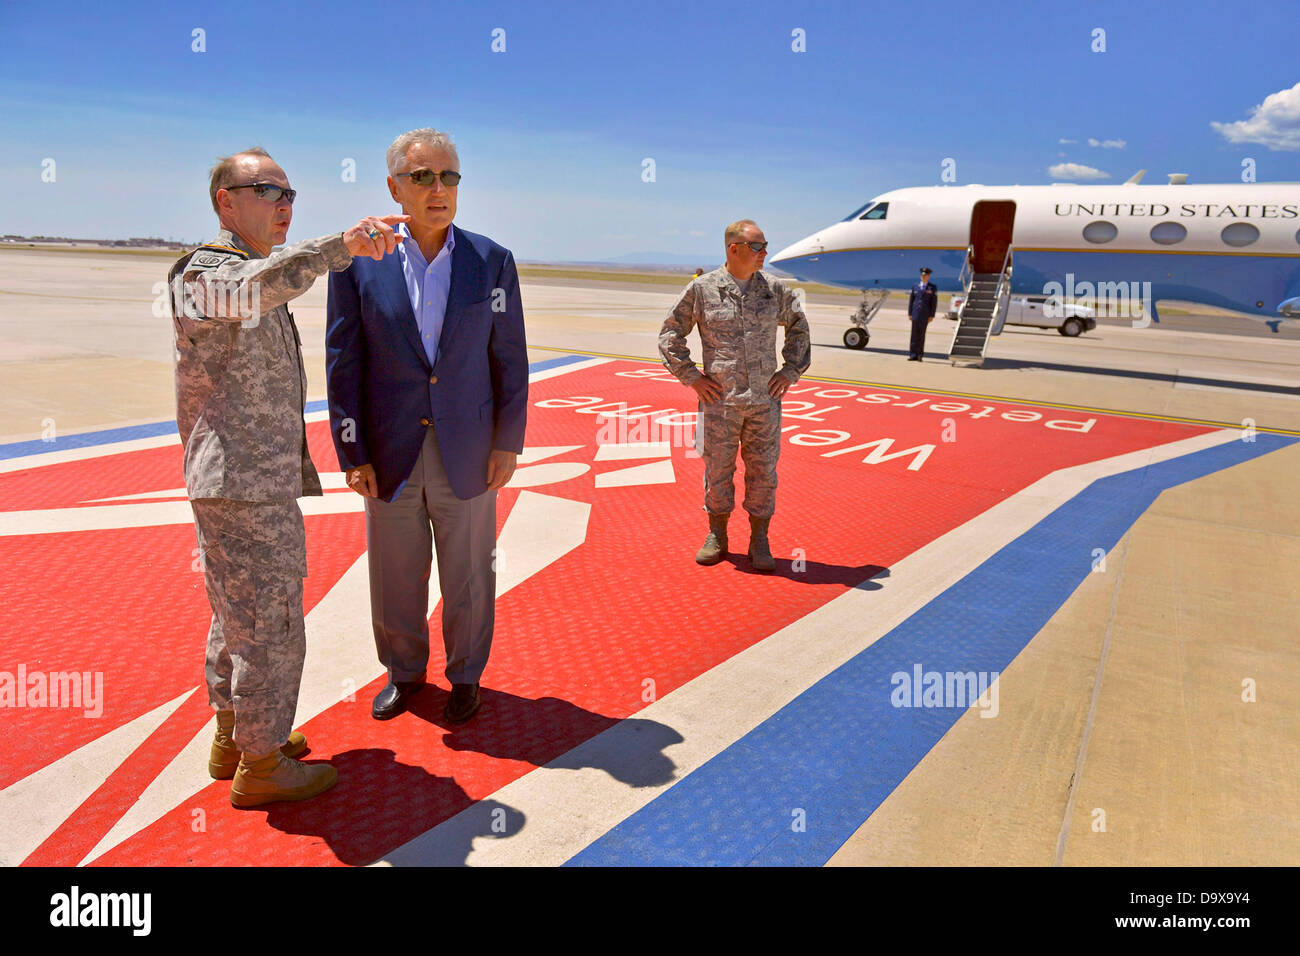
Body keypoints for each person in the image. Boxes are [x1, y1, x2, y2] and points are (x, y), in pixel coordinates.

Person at [170, 146, 406, 807]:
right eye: (269, 190)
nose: (286, 203)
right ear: (227, 201)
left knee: (237, 616)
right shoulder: (208, 274)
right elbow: (254, 291)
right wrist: (340, 247)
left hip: (245, 480)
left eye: (291, 192)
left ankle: (236, 737)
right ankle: (264, 765)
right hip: (242, 484)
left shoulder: (248, 271)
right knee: (269, 621)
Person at [326, 128, 528, 724]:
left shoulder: (491, 262)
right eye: (422, 177)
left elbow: (509, 360)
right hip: (389, 448)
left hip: (466, 448)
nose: (438, 189)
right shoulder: (361, 266)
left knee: (469, 575)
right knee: (394, 575)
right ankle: (404, 673)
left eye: (449, 177)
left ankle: (466, 675)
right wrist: (350, 449)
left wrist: (507, 443)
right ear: (394, 187)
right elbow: (344, 359)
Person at [658, 219, 811, 572]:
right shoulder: (703, 289)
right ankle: (717, 534)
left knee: (763, 474)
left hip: (763, 404)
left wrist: (790, 371)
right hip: (719, 404)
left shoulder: (776, 290)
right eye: (757, 247)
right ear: (734, 249)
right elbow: (670, 336)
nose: (764, 253)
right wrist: (691, 377)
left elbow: (799, 330)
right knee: (718, 472)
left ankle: (759, 539)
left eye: (764, 245)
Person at [907, 266, 938, 360]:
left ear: (928, 276)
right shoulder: (915, 286)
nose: (923, 277)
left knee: (921, 335)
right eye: (922, 275)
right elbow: (911, 300)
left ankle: (920, 355)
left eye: (925, 275)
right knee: (914, 335)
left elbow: (934, 302)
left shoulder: (932, 288)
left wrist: (932, 315)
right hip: (915, 314)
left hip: (925, 315)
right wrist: (910, 313)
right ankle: (913, 355)